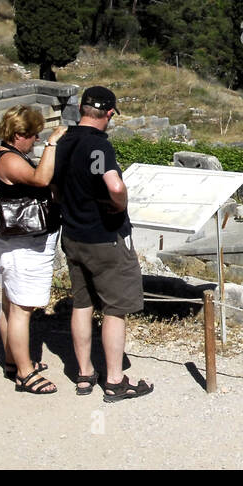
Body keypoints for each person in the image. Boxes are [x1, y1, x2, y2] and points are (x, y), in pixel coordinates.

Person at [53, 85, 153, 402]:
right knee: (114, 309)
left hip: (72, 235)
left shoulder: (63, 140)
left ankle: (84, 374)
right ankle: (114, 380)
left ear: (82, 109)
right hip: (105, 238)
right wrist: (119, 204)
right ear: (109, 113)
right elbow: (114, 183)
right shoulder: (97, 146)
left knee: (81, 304)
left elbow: (54, 186)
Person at [0, 106, 66, 395]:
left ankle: (13, 361)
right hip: (23, 245)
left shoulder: (4, 153)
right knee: (22, 309)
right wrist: (53, 142)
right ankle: (25, 373)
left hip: (12, 242)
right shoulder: (8, 159)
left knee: (10, 304)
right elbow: (40, 180)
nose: (35, 140)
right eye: (34, 136)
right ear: (19, 134)